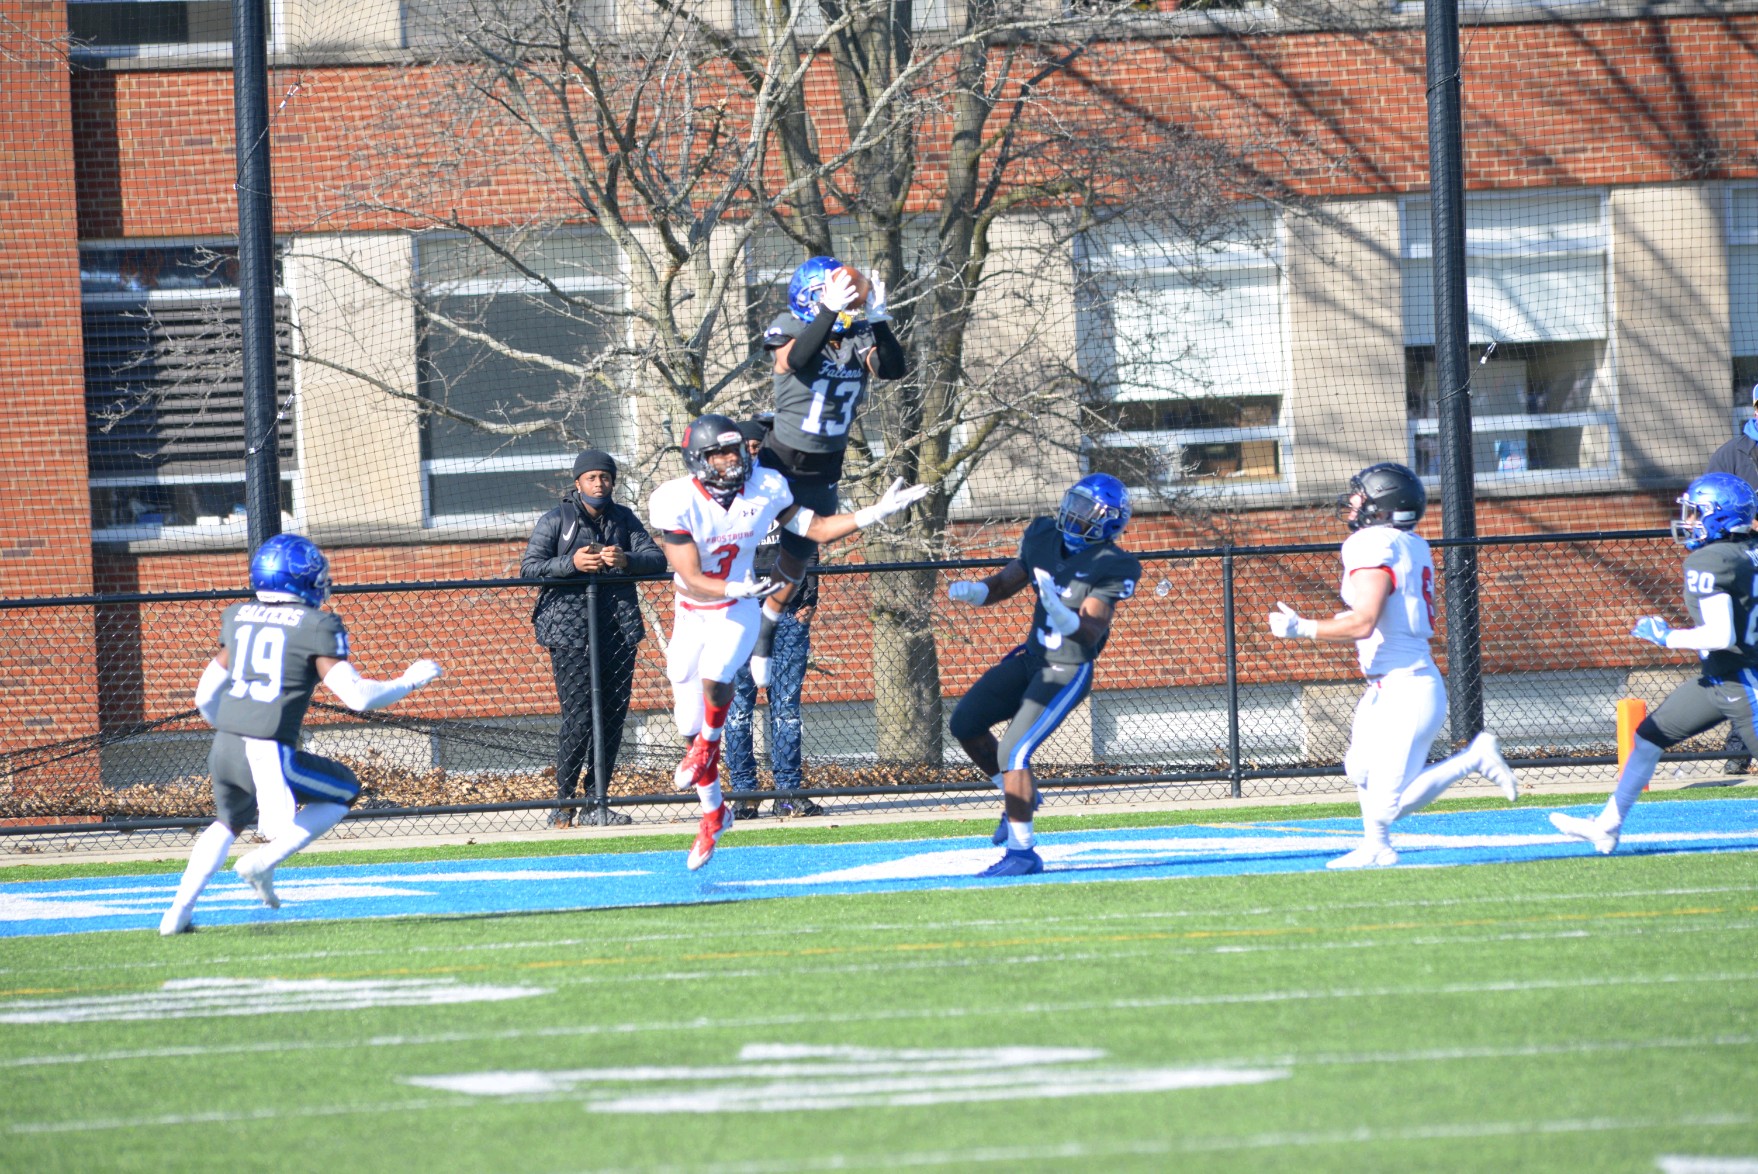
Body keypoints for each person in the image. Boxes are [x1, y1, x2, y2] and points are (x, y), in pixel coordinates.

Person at [649, 414, 929, 869]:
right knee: (685, 716)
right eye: (718, 455)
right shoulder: (674, 500)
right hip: (694, 608)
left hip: (739, 609)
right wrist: (732, 587)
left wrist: (872, 514)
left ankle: (707, 745)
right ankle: (714, 812)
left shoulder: (766, 488)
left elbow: (815, 530)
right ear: (696, 460)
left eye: (734, 451)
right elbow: (692, 576)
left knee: (716, 675)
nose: (731, 462)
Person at [160, 534, 443, 935]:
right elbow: (358, 697)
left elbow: (205, 694)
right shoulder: (315, 625)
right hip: (268, 750)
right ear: (302, 580)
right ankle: (263, 861)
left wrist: (233, 726)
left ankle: (177, 914)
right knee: (344, 789)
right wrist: (408, 681)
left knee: (226, 822)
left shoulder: (238, 615)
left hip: (225, 746)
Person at [1267, 462, 1518, 869]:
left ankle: (1474, 757)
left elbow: (1364, 622)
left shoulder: (1373, 544)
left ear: (1382, 508)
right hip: (1390, 687)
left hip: (1409, 687)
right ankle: (1377, 847)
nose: (1352, 502)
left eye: (1361, 496)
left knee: (1389, 805)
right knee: (1361, 769)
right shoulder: (1411, 543)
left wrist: (1303, 628)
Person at [1550, 473, 1758, 855]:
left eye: (1697, 512)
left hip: (1746, 683)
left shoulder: (1710, 560)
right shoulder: (1747, 550)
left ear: (1718, 515)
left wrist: (1665, 636)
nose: (1689, 520)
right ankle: (1607, 827)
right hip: (1721, 678)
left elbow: (1720, 635)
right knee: (1649, 736)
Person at [946, 473, 1142, 877]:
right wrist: (977, 592)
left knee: (1013, 750)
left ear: (1110, 522)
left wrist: (1061, 614)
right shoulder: (1042, 535)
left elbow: (1090, 632)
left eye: (1089, 510)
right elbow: (1004, 583)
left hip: (1067, 667)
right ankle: (1020, 795)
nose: (1076, 513)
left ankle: (1023, 852)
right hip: (1032, 657)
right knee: (965, 722)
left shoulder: (1114, 564)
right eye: (1077, 502)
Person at [748, 256, 907, 688]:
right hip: (780, 461)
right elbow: (797, 358)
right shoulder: (789, 325)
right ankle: (735, 619)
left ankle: (767, 627)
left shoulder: (857, 336)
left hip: (826, 465)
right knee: (740, 539)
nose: (847, 303)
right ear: (811, 297)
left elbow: (894, 369)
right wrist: (827, 312)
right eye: (833, 294)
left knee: (796, 561)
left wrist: (879, 320)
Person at [522, 449, 666, 828]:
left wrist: (627, 561)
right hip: (569, 633)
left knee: (614, 718)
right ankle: (564, 802)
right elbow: (529, 568)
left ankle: (596, 802)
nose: (599, 483)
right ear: (578, 483)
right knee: (580, 716)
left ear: (612, 482)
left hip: (618, 629)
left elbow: (657, 559)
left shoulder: (624, 519)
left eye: (604, 477)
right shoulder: (556, 520)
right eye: (591, 478)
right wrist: (572, 565)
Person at [725, 418, 821, 820]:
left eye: (755, 444)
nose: (750, 451)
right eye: (743, 445)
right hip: (739, 616)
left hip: (786, 616)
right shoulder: (721, 495)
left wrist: (808, 600)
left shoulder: (784, 489)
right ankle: (745, 794)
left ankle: (788, 793)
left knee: (785, 708)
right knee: (738, 709)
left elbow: (807, 543)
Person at [1702, 382, 1758, 774]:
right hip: (1743, 569)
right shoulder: (1730, 455)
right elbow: (1710, 510)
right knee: (1742, 650)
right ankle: (1740, 747)